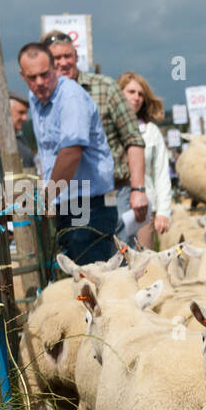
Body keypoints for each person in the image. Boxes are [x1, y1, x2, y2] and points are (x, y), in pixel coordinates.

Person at [17, 42, 118, 265]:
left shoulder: (71, 98)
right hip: (69, 202)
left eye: (45, 74)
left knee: (91, 278)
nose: (40, 82)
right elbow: (47, 153)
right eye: (32, 77)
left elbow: (71, 152)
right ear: (22, 75)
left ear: (54, 68)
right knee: (80, 280)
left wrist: (46, 197)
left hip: (92, 205)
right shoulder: (35, 99)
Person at [42, 31, 147, 238]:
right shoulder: (45, 99)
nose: (63, 63)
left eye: (67, 56)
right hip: (69, 197)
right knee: (80, 263)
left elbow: (133, 139)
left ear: (76, 56)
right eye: (56, 58)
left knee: (121, 259)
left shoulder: (105, 88)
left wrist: (139, 189)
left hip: (113, 192)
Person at [117, 71, 174, 247]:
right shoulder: (108, 129)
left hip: (144, 209)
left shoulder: (151, 132)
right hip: (113, 209)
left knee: (144, 266)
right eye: (131, 92)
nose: (136, 98)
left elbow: (162, 173)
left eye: (140, 94)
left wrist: (163, 211)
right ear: (119, 94)